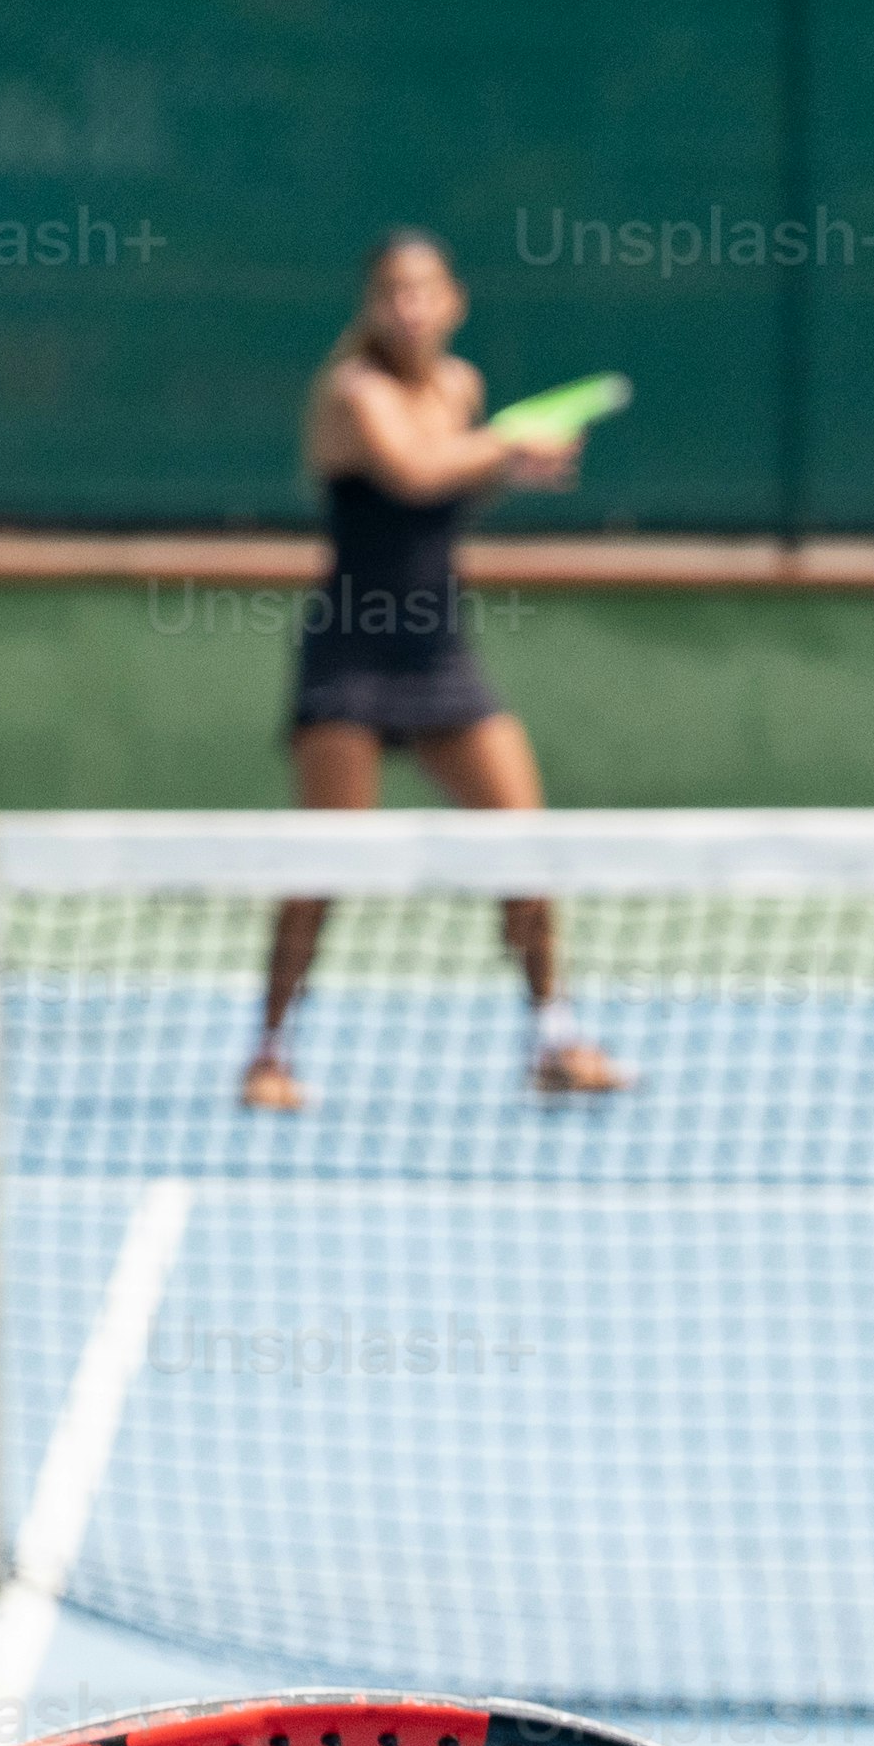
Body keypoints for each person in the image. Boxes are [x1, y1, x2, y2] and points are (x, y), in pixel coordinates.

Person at [243, 227, 620, 1106]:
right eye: (390, 293)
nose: (408, 307)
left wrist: (513, 467)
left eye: (424, 291)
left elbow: (451, 491)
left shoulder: (460, 387)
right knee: (324, 864)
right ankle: (269, 1049)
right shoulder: (352, 390)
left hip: (438, 651)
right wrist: (504, 442)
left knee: (525, 844)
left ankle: (552, 1038)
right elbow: (412, 472)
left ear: (453, 302)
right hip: (349, 654)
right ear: (371, 307)